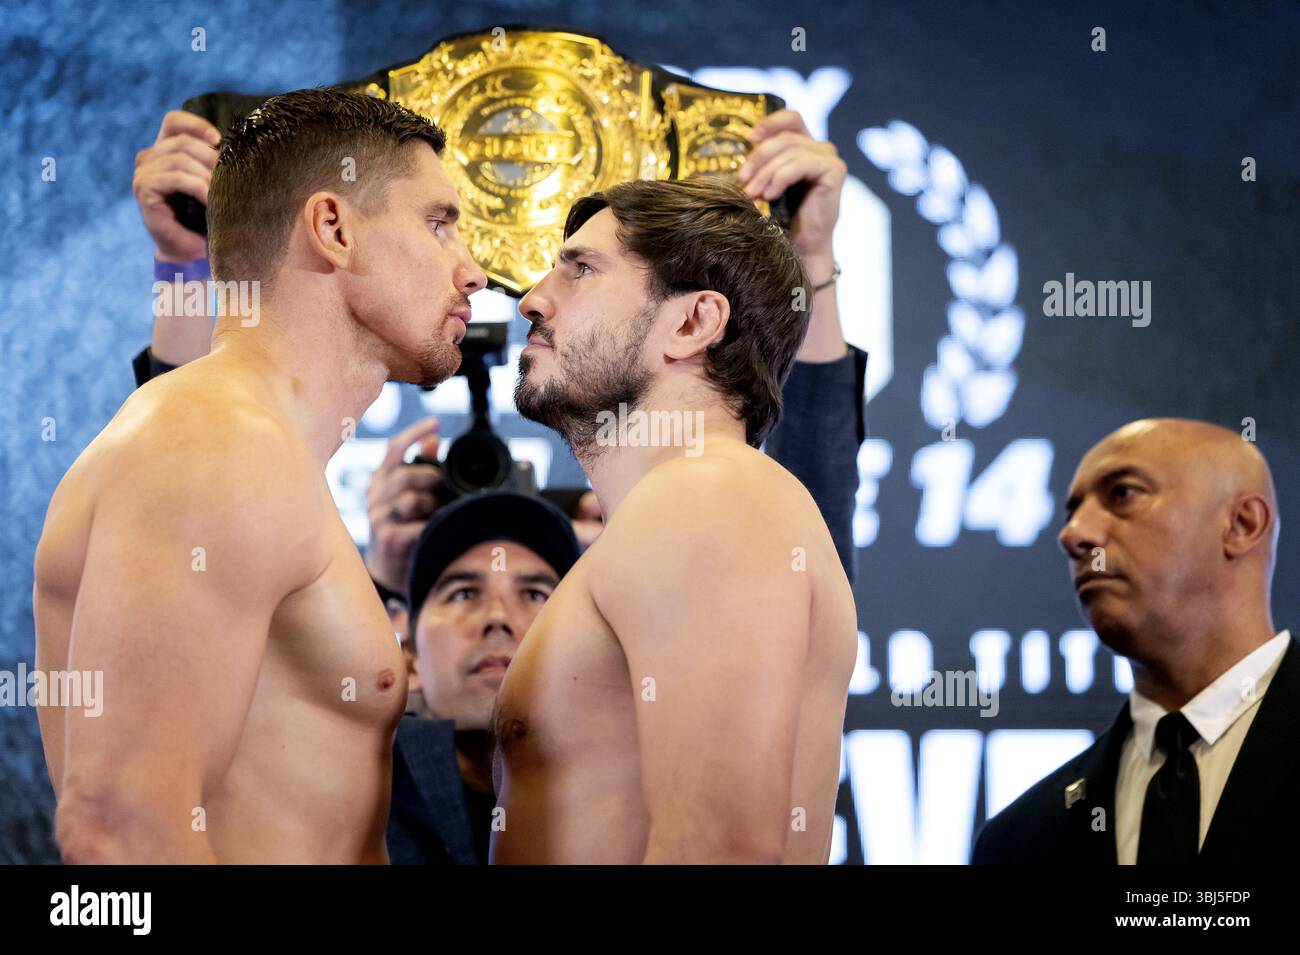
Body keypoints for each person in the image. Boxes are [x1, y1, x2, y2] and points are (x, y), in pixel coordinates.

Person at [33, 88, 486, 863]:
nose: (471, 271)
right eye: (439, 223)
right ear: (333, 229)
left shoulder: (254, 447)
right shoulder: (216, 438)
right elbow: (118, 830)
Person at [492, 172, 859, 864]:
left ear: (692, 322)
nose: (533, 299)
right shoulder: (681, 508)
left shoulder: (710, 496)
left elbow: (720, 849)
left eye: (579, 271)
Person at [972, 418, 1295, 864]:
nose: (1072, 535)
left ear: (1242, 524)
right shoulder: (1018, 841)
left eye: (1122, 493)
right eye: (1073, 511)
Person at [387, 490, 580, 864]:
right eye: (463, 593)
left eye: (535, 594)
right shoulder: (354, 795)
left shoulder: (642, 794)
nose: (498, 617)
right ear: (409, 662)